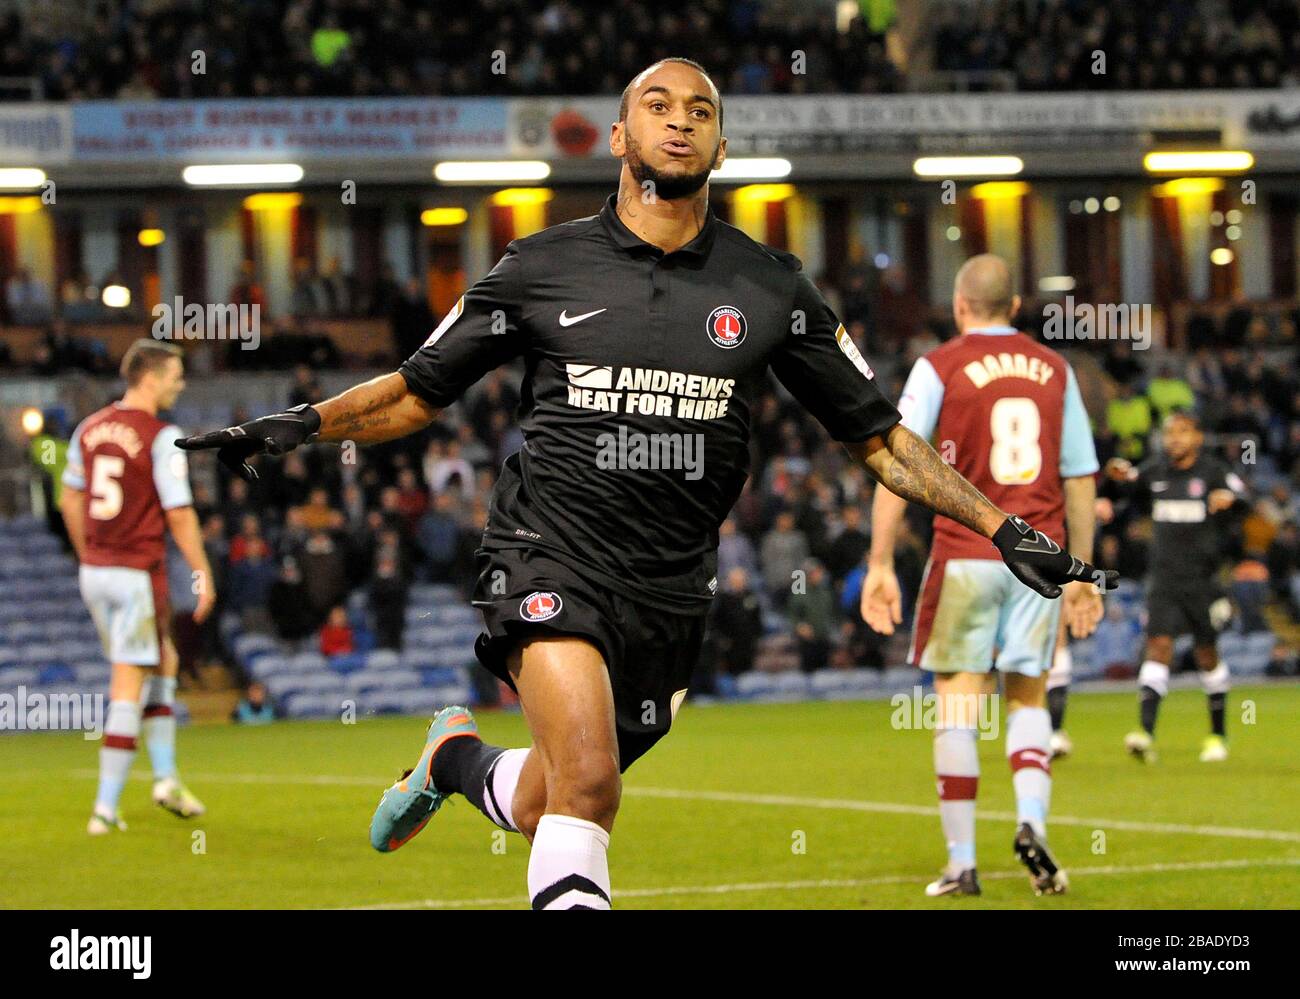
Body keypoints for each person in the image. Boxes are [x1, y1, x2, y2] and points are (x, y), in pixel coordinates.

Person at [178, 59, 1114, 911]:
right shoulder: (540, 265)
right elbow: (419, 390)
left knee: (550, 792)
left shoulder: (772, 286)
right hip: (549, 551)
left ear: (721, 142)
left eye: (700, 110)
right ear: (619, 136)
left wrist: (1003, 526)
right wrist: (304, 422)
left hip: (671, 587)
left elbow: (879, 439)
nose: (680, 122)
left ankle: (454, 760)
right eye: (656, 106)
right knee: (592, 787)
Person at [860, 254, 1105, 898]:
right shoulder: (1057, 369)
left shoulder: (940, 364)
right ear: (1017, 307)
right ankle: (1031, 823)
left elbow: (899, 459)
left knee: (960, 707)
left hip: (969, 551)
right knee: (1028, 696)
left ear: (961, 306)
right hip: (1041, 556)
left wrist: (880, 560)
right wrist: (1079, 571)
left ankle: (962, 863)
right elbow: (1080, 476)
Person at [59, 339, 213, 834]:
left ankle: (166, 778)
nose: (180, 383)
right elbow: (180, 512)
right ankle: (104, 809)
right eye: (175, 375)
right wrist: (201, 571)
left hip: (95, 571)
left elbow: (68, 498)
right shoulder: (161, 435)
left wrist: (88, 553)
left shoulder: (88, 427)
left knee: (161, 659)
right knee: (129, 678)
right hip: (133, 574)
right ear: (149, 378)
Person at [1099, 410, 1247, 763]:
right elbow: (1126, 490)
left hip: (1202, 581)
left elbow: (1245, 499)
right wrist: (1110, 487)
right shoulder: (1156, 470)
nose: (1174, 439)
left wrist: (1231, 501)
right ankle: (1145, 733)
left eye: (1182, 432)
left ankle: (1217, 735)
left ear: (1197, 437)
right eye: (1169, 433)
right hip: (1163, 578)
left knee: (1206, 654)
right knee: (1158, 646)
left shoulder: (1213, 472)